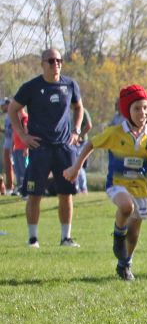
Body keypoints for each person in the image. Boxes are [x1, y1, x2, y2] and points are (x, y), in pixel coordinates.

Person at [62, 85, 147, 281]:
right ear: (127, 111)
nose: (142, 113)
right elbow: (91, 144)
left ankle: (124, 265)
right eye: (137, 108)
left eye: (145, 107)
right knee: (126, 206)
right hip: (117, 184)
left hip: (140, 189)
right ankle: (118, 235)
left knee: (133, 234)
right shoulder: (115, 133)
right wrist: (76, 167)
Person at [7, 48, 85, 248]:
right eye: (50, 61)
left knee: (65, 194)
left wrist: (76, 131)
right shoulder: (31, 87)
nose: (55, 64)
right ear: (42, 64)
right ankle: (33, 239)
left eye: (59, 60)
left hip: (64, 147)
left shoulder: (70, 85)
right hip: (40, 147)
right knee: (34, 194)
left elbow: (79, 107)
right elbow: (13, 109)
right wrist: (23, 135)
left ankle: (65, 238)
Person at [72, 106, 93, 193]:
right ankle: (76, 188)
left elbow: (89, 125)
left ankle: (83, 188)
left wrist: (79, 136)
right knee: (73, 163)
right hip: (71, 142)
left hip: (81, 142)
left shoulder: (83, 111)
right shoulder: (68, 110)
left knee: (78, 163)